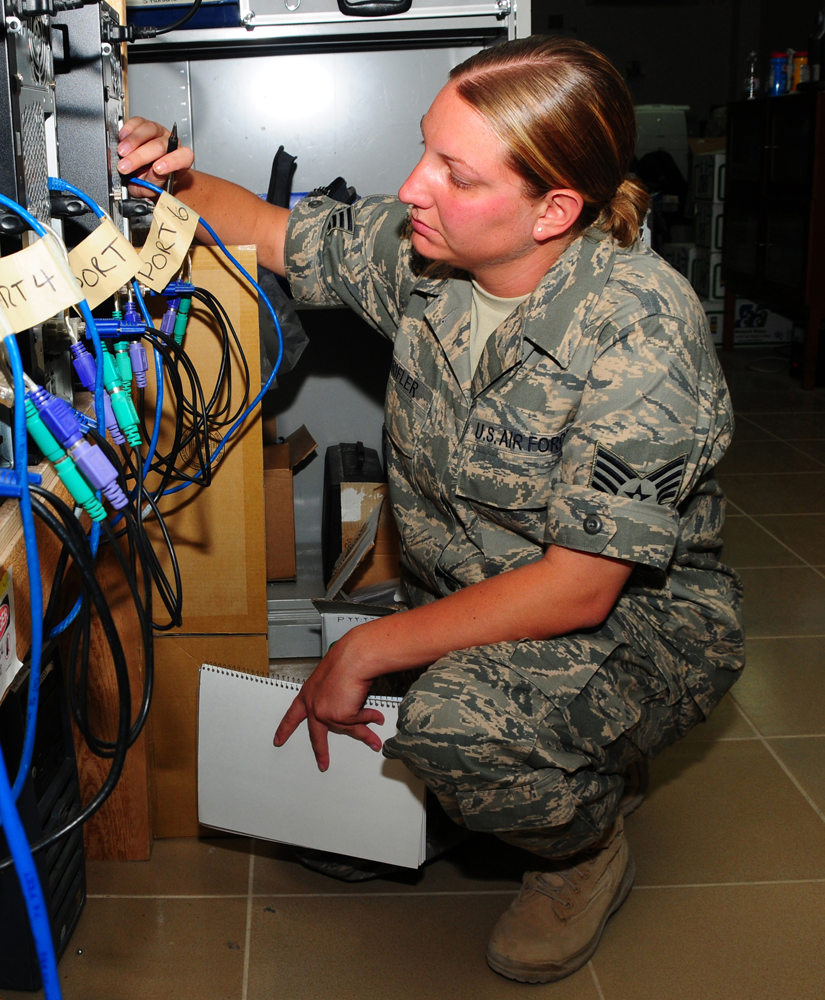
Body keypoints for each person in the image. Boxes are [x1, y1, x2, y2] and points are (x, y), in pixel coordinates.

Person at [117, 36, 743, 983]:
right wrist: (165, 174)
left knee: (449, 729)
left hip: (638, 624)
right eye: (425, 150)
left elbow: (578, 589)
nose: (413, 187)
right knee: (347, 821)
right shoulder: (429, 251)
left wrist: (364, 650)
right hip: (466, 599)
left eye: (456, 173)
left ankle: (582, 847)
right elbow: (270, 228)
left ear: (554, 212)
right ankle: (496, 775)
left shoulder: (643, 335)